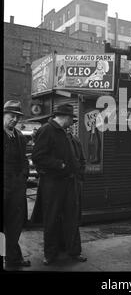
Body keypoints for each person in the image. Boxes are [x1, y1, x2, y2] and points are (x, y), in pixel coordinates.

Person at [31, 104, 87, 265]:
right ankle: (50, 255)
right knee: (52, 219)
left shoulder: (64, 133)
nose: (72, 123)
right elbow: (38, 157)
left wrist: (77, 172)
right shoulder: (47, 130)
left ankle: (74, 252)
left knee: (72, 218)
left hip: (69, 182)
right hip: (53, 183)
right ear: (65, 117)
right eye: (72, 119)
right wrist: (59, 165)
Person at [3, 100, 31, 268]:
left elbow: (25, 160)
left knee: (14, 224)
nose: (14, 119)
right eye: (11, 116)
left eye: (17, 117)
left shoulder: (20, 136)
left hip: (16, 187)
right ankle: (3, 256)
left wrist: (24, 175)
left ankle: (12, 258)